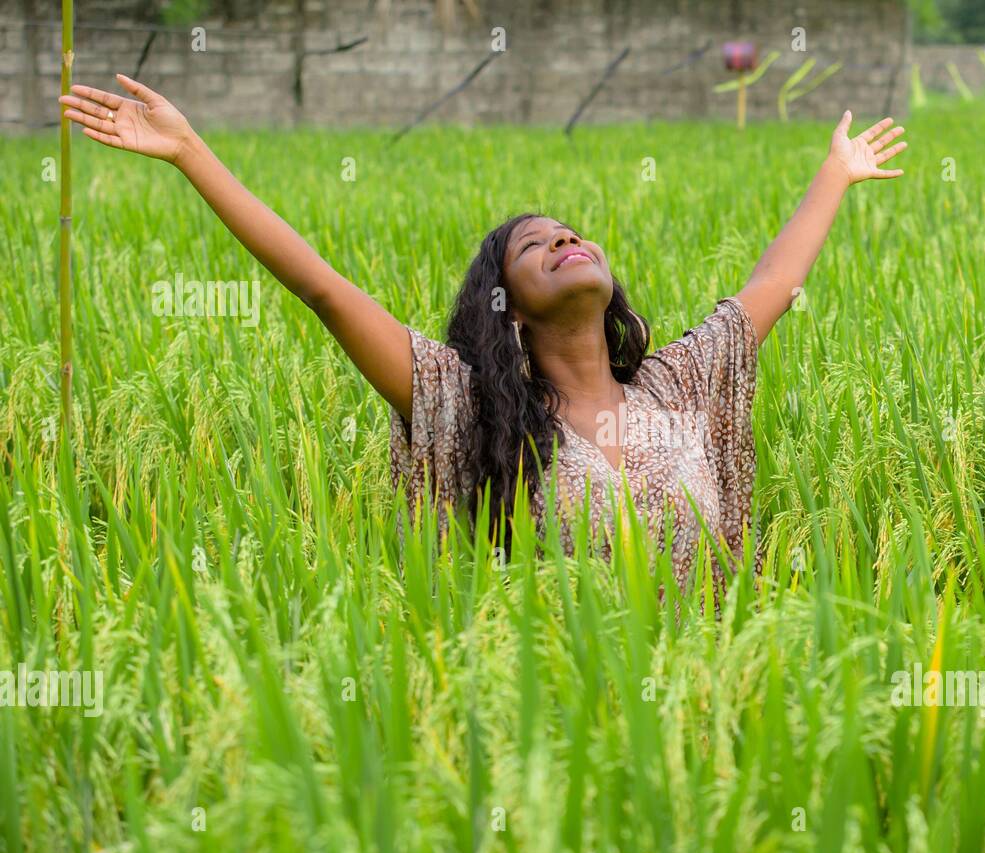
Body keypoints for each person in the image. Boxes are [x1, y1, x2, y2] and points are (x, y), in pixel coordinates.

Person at [59, 74, 907, 591]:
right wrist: (192, 154)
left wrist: (837, 171)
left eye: (572, 233)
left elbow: (771, 285)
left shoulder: (679, 384)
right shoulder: (472, 412)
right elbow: (322, 288)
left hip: (710, 703)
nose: (566, 240)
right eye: (536, 247)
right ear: (507, 309)